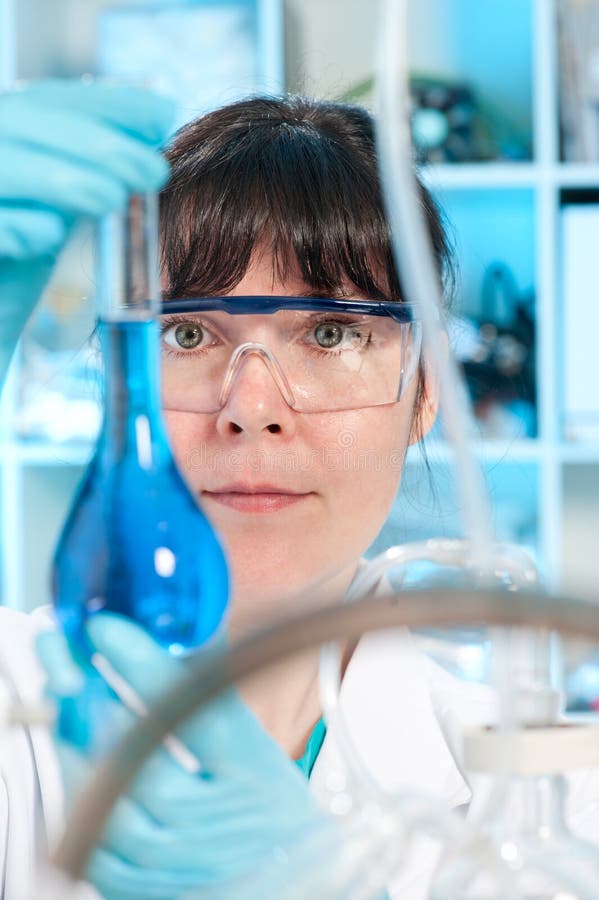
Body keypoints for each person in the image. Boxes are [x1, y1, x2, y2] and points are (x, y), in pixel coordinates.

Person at [1, 80, 599, 900]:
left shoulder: (557, 799)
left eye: (329, 333)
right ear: (116, 376)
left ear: (424, 391)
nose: (250, 409)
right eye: (187, 333)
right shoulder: (16, 706)